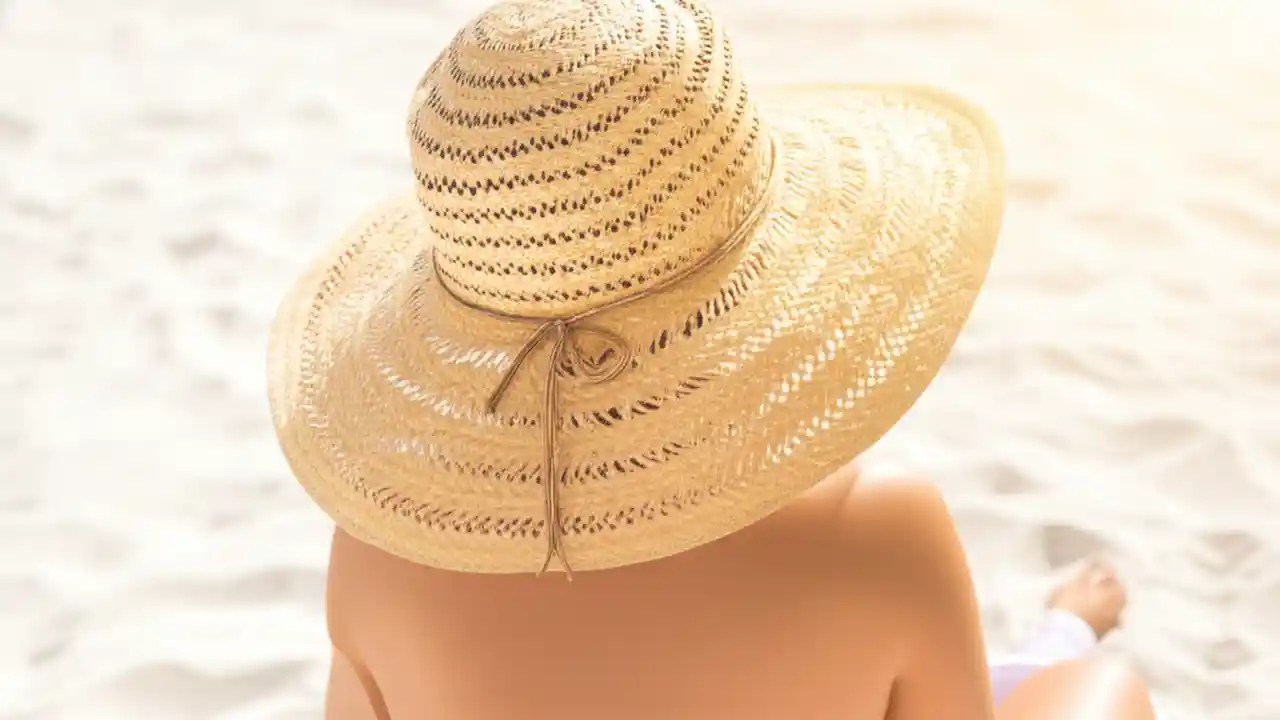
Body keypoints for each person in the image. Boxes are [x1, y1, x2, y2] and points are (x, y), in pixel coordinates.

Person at [265, 0, 1158, 717]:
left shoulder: (381, 556)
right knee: (1101, 695)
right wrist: (1060, 654)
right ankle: (1057, 646)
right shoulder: (884, 534)